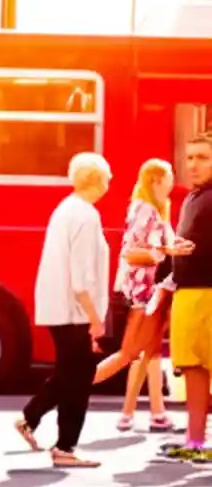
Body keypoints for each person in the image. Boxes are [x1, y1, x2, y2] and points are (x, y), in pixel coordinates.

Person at [16, 152, 114, 468]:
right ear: (98, 180)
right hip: (75, 311)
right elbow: (81, 275)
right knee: (79, 379)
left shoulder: (66, 208)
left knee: (71, 372)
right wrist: (95, 319)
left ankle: (30, 418)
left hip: (58, 306)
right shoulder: (86, 215)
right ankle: (65, 447)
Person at [94, 159, 188, 432]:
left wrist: (175, 247)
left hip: (150, 290)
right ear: (156, 180)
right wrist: (166, 252)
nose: (172, 182)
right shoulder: (145, 209)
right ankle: (69, 388)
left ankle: (151, 413)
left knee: (150, 351)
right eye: (169, 177)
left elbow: (159, 244)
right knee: (130, 353)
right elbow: (131, 251)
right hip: (141, 291)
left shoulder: (153, 208)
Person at [162, 132, 212, 461]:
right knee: (193, 368)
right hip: (187, 293)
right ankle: (195, 442)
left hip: (207, 293)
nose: (193, 164)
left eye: (203, 158)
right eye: (190, 157)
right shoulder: (193, 198)